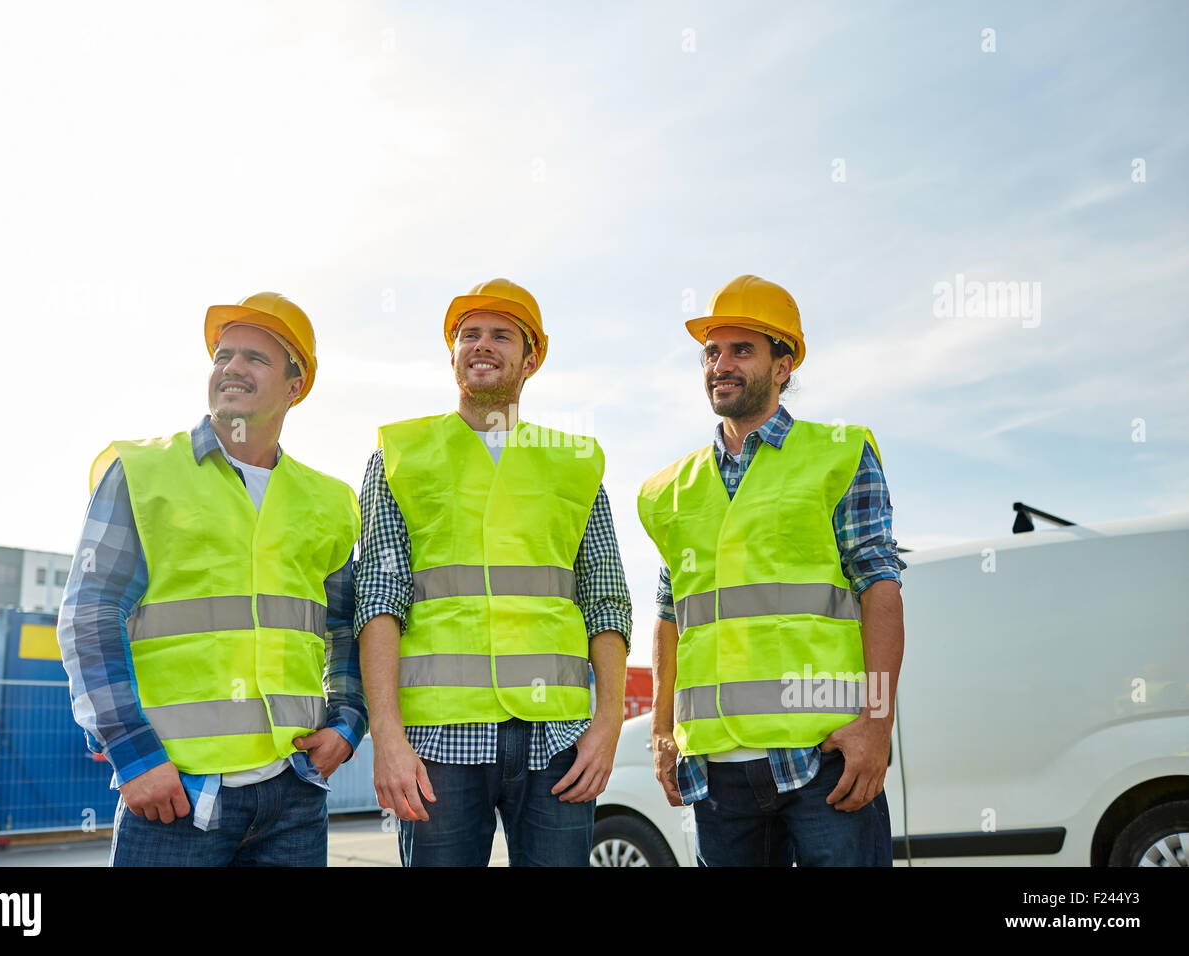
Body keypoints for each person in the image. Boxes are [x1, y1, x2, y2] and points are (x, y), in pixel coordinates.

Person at [56, 292, 366, 866]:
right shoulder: (143, 473)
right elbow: (88, 614)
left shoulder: (330, 501)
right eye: (223, 355)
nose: (231, 368)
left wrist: (347, 723)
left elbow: (347, 626)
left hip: (294, 795)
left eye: (255, 358)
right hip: (175, 796)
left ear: (295, 385)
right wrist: (134, 755)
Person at [354, 278, 632, 867]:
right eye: (468, 335)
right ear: (452, 354)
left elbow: (606, 601)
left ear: (530, 358)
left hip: (557, 740)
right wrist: (387, 738)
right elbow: (379, 599)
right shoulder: (399, 456)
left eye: (501, 335)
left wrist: (608, 723)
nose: (482, 345)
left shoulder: (575, 465)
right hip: (437, 745)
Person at [637, 274, 904, 867]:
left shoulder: (839, 452)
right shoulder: (667, 490)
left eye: (741, 350)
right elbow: (669, 614)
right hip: (717, 773)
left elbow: (880, 588)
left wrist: (876, 725)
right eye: (712, 351)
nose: (721, 364)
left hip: (823, 759)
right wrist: (662, 729)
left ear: (783, 366)